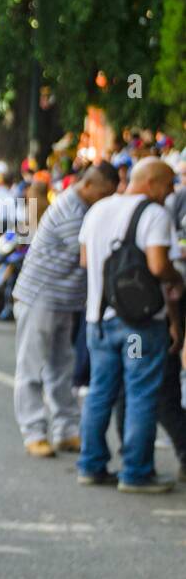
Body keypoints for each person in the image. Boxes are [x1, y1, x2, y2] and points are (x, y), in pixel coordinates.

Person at [77, 158, 181, 492]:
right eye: (167, 184)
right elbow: (157, 263)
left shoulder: (98, 211)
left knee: (100, 393)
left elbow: (84, 260)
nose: (170, 192)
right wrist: (176, 278)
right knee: (140, 394)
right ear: (150, 182)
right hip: (138, 326)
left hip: (98, 322)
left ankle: (91, 466)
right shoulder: (154, 214)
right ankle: (135, 472)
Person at [11, 163, 118, 456]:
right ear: (90, 186)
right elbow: (91, 256)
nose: (107, 199)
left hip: (64, 300)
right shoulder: (72, 211)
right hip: (40, 297)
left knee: (62, 367)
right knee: (31, 367)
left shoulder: (85, 209)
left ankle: (66, 430)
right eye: (105, 193)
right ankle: (33, 431)